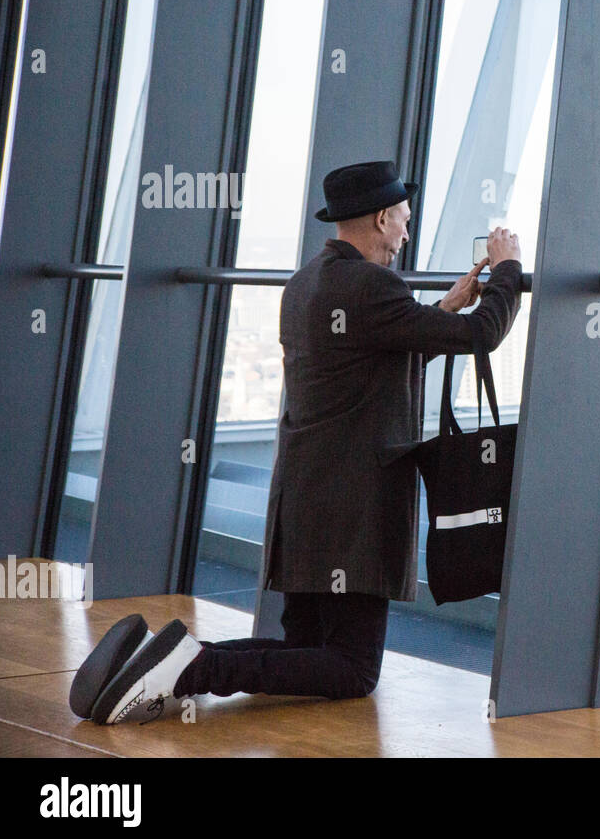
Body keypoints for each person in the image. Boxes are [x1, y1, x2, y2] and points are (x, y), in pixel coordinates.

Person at [72, 160, 523, 725]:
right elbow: (482, 336)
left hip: (305, 502)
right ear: (382, 218)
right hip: (351, 513)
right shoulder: (369, 286)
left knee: (304, 651)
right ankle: (191, 669)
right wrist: (508, 270)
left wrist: (438, 312)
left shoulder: (307, 282)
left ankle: (157, 665)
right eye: (404, 220)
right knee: (353, 670)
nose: (407, 233)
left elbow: (371, 362)